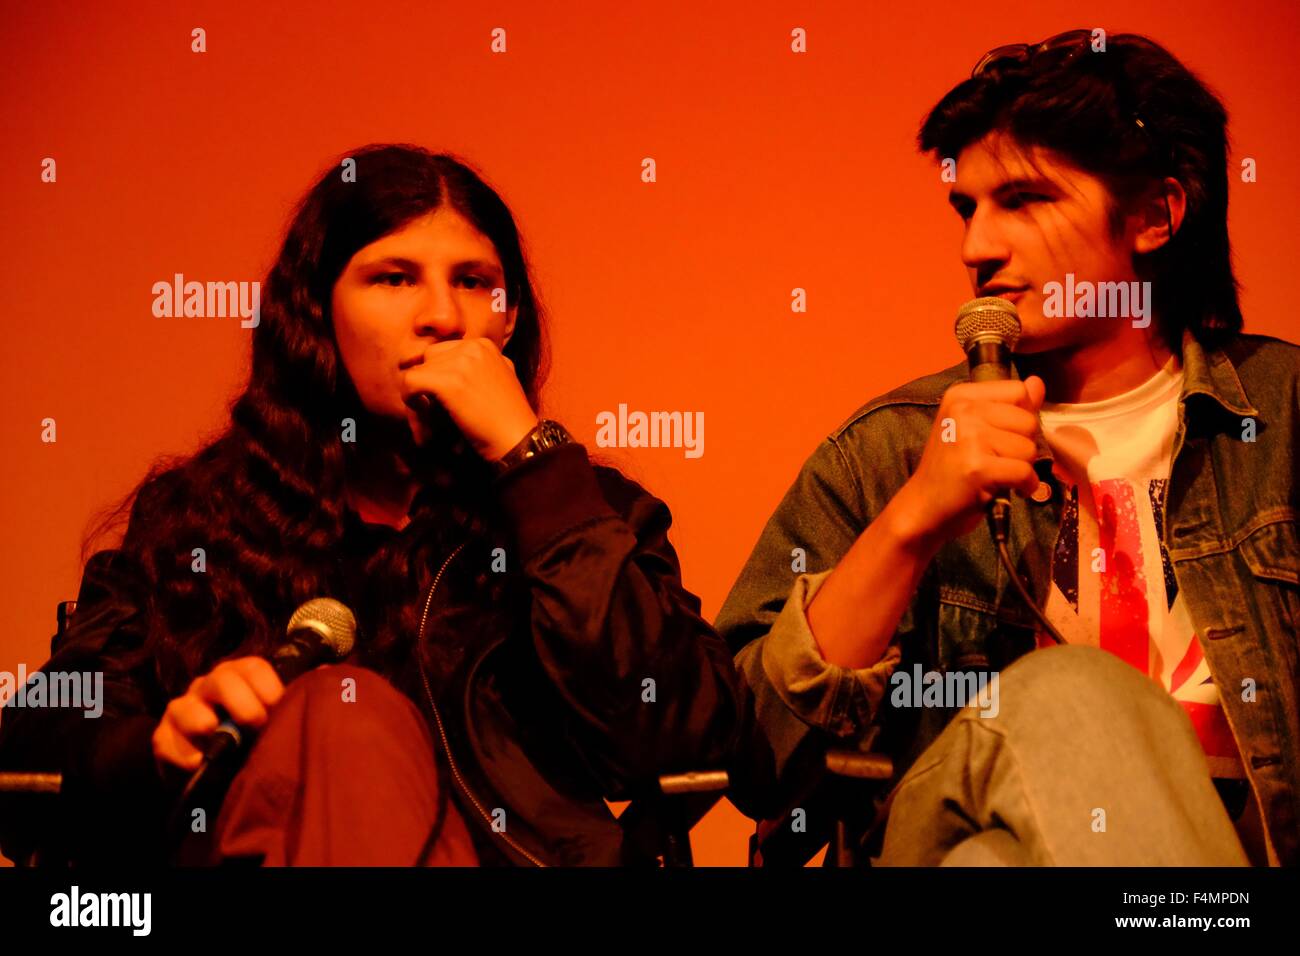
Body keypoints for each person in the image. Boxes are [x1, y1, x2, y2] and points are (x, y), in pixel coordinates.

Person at [0, 144, 747, 867]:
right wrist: (154, 743)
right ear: (320, 310)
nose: (442, 318)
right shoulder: (202, 518)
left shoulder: (586, 512)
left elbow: (691, 739)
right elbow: (31, 752)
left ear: (508, 320)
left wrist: (534, 464)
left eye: (474, 283)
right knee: (341, 711)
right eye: (394, 279)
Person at [716, 30, 1298, 866]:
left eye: (1023, 201)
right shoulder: (887, 450)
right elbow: (755, 764)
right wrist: (910, 524)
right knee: (1075, 693)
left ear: (1155, 215)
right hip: (949, 809)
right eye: (967, 209)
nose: (975, 248)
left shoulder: (1283, 418)